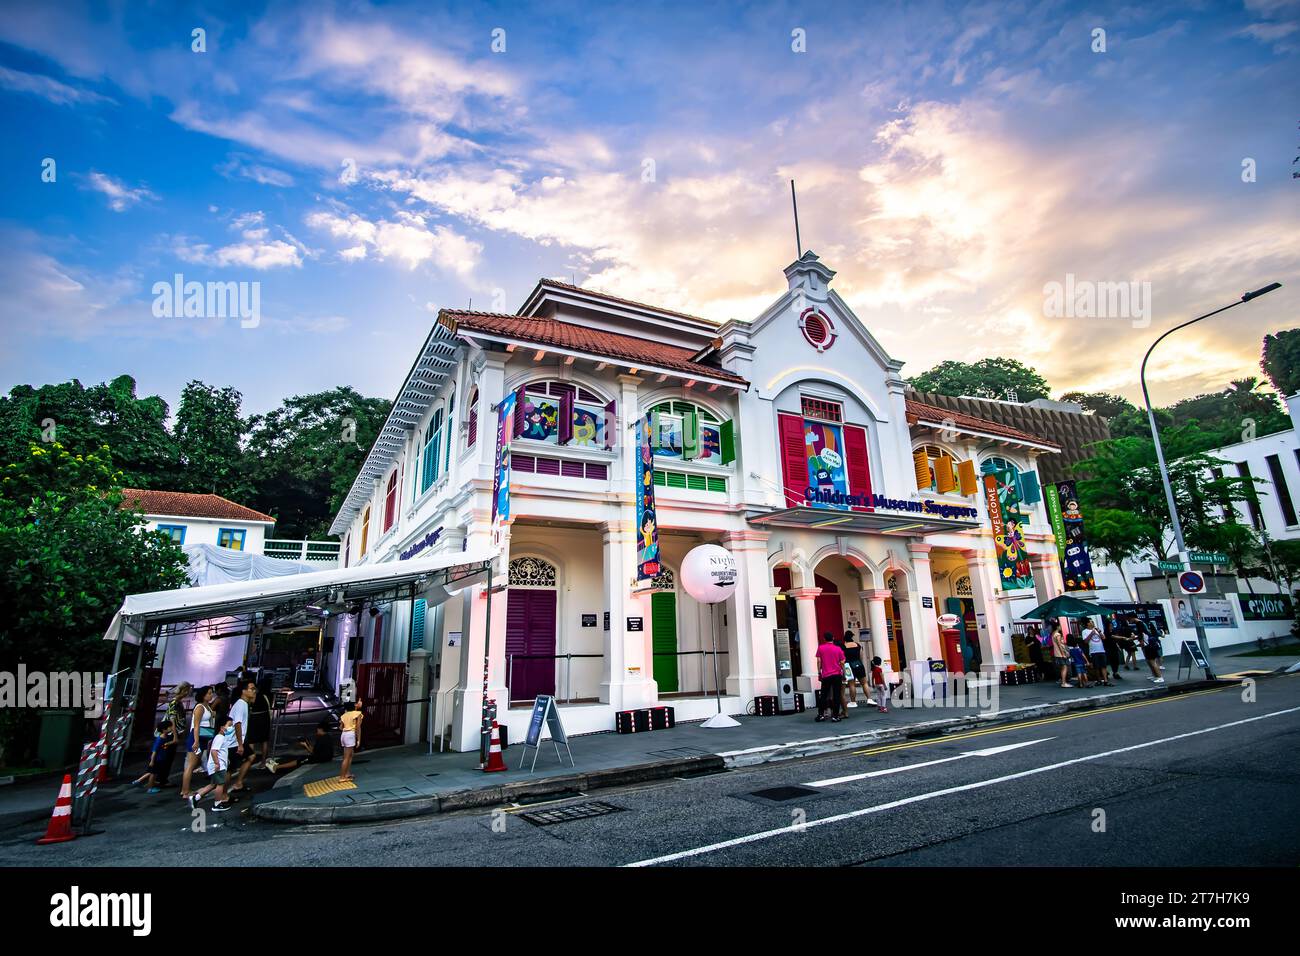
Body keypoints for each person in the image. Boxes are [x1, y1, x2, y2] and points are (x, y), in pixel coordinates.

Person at [190, 712, 235, 812]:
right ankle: (217, 804)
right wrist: (217, 763)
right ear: (222, 727)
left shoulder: (221, 737)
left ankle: (196, 798)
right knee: (220, 785)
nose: (232, 728)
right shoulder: (220, 738)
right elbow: (214, 751)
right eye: (230, 725)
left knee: (213, 785)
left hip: (218, 765)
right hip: (218, 766)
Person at [180, 685, 216, 800]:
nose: (211, 695)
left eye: (211, 693)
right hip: (197, 737)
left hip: (204, 737)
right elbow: (196, 726)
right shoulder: (200, 707)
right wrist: (196, 741)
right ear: (203, 695)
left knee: (194, 763)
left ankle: (185, 790)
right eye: (209, 693)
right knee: (191, 764)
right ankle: (185, 791)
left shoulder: (207, 706)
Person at [264, 719, 336, 774]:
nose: (316, 730)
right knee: (302, 757)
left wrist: (305, 746)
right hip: (326, 757)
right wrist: (307, 743)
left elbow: (313, 752)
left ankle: (276, 767)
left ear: (320, 729)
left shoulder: (321, 739)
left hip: (321, 759)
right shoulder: (327, 737)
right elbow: (315, 750)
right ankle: (277, 765)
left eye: (318, 728)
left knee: (301, 760)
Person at [228, 679, 259, 794]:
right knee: (229, 769)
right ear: (244, 691)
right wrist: (240, 744)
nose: (254, 691)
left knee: (251, 757)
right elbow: (237, 724)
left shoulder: (244, 703)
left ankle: (238, 783)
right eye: (251, 689)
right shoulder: (241, 705)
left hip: (238, 740)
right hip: (234, 742)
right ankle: (220, 794)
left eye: (254, 689)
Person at [130, 722, 174, 789]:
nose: (172, 728)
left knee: (151, 772)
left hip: (160, 759)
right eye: (170, 727)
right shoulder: (159, 739)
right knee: (153, 773)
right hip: (157, 759)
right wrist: (152, 761)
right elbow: (154, 751)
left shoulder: (165, 738)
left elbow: (168, 744)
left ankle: (138, 781)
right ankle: (149, 788)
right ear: (164, 729)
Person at [814, 633, 845, 723]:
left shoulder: (821, 648)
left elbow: (819, 661)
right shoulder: (838, 649)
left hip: (826, 674)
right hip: (837, 674)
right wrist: (844, 674)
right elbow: (842, 662)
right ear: (833, 638)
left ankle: (821, 715)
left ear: (824, 639)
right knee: (836, 695)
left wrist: (819, 672)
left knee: (823, 695)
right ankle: (835, 716)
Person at [1133, 613, 1165, 683]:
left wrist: (1140, 643)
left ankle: (1160, 677)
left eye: (1129, 619)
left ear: (1132, 618)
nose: (1128, 621)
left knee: (1152, 662)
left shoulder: (1139, 624)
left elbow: (1141, 636)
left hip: (1148, 646)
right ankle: (1155, 676)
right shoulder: (1142, 625)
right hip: (1148, 645)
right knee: (1150, 662)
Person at [841, 629, 869, 709]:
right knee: (864, 683)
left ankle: (853, 701)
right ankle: (869, 699)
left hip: (848, 666)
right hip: (859, 664)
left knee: (851, 684)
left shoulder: (843, 646)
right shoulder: (858, 645)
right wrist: (859, 662)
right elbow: (861, 656)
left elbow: (843, 658)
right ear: (852, 636)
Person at [339, 699, 364, 781]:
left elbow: (340, 727)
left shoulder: (344, 715)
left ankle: (347, 773)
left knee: (349, 755)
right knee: (347, 757)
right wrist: (358, 740)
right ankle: (342, 777)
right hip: (350, 734)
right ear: (354, 706)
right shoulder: (358, 714)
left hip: (344, 734)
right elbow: (358, 728)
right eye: (355, 704)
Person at [1082, 617, 1111, 686]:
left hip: (1101, 650)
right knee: (1096, 667)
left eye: (1093, 622)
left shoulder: (1097, 629)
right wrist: (1092, 633)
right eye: (1091, 622)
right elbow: (1085, 641)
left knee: (1103, 666)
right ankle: (1099, 680)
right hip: (1093, 651)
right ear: (1087, 624)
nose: (1093, 623)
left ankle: (1105, 681)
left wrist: (1099, 632)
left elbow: (1104, 638)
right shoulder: (1085, 631)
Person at [1049, 621, 1071, 688]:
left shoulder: (1053, 634)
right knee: (1065, 667)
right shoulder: (1058, 634)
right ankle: (1064, 683)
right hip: (1060, 654)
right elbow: (1060, 645)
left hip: (1057, 653)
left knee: (1062, 668)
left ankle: (1063, 681)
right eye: (1060, 626)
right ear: (1057, 627)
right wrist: (1063, 653)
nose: (1061, 627)